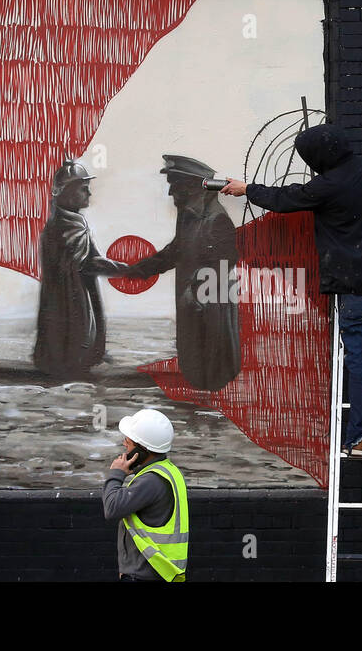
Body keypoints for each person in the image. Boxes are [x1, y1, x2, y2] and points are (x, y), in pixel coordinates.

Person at [221, 124, 362, 458]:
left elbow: (284, 199)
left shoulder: (327, 186)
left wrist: (247, 189)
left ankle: (359, 438)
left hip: (353, 289)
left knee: (358, 362)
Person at [109, 155, 241, 391]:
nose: (171, 194)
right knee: (193, 356)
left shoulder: (216, 219)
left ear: (193, 188)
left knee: (211, 360)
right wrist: (139, 270)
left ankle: (209, 402)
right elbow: (176, 250)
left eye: (175, 186)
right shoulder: (190, 217)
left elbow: (224, 263)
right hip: (193, 304)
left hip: (211, 306)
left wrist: (195, 293)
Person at [32, 160, 116, 378]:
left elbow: (92, 258)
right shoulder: (63, 226)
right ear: (67, 192)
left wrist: (118, 268)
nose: (88, 193)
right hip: (69, 301)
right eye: (83, 188)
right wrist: (130, 270)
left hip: (72, 298)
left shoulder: (72, 222)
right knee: (70, 339)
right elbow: (89, 263)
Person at [101, 408, 189, 582]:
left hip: (146, 574)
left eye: (129, 441)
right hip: (159, 573)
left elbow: (111, 508)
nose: (125, 443)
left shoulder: (151, 480)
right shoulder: (168, 471)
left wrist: (116, 474)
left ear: (143, 449)